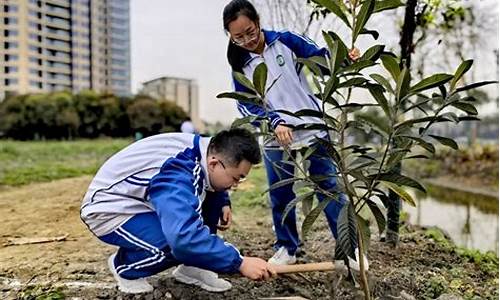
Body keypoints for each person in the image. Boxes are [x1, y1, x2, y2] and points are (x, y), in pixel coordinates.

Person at [222, 0, 368, 270]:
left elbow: (322, 61)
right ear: (230, 36)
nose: (247, 40)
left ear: (258, 21)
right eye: (238, 37)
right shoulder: (240, 63)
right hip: (275, 136)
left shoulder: (286, 41)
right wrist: (274, 120)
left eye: (250, 32)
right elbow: (246, 104)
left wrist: (345, 59)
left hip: (312, 127)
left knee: (330, 189)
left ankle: (350, 250)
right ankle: (287, 247)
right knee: (281, 195)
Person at [80, 128, 276, 294]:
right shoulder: (179, 172)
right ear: (215, 163)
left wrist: (223, 200)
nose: (236, 185)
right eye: (236, 178)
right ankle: (124, 268)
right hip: (109, 208)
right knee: (175, 244)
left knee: (214, 196)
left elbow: (210, 180)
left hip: (139, 200)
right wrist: (239, 262)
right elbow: (184, 238)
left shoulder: (206, 152)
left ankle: (192, 268)